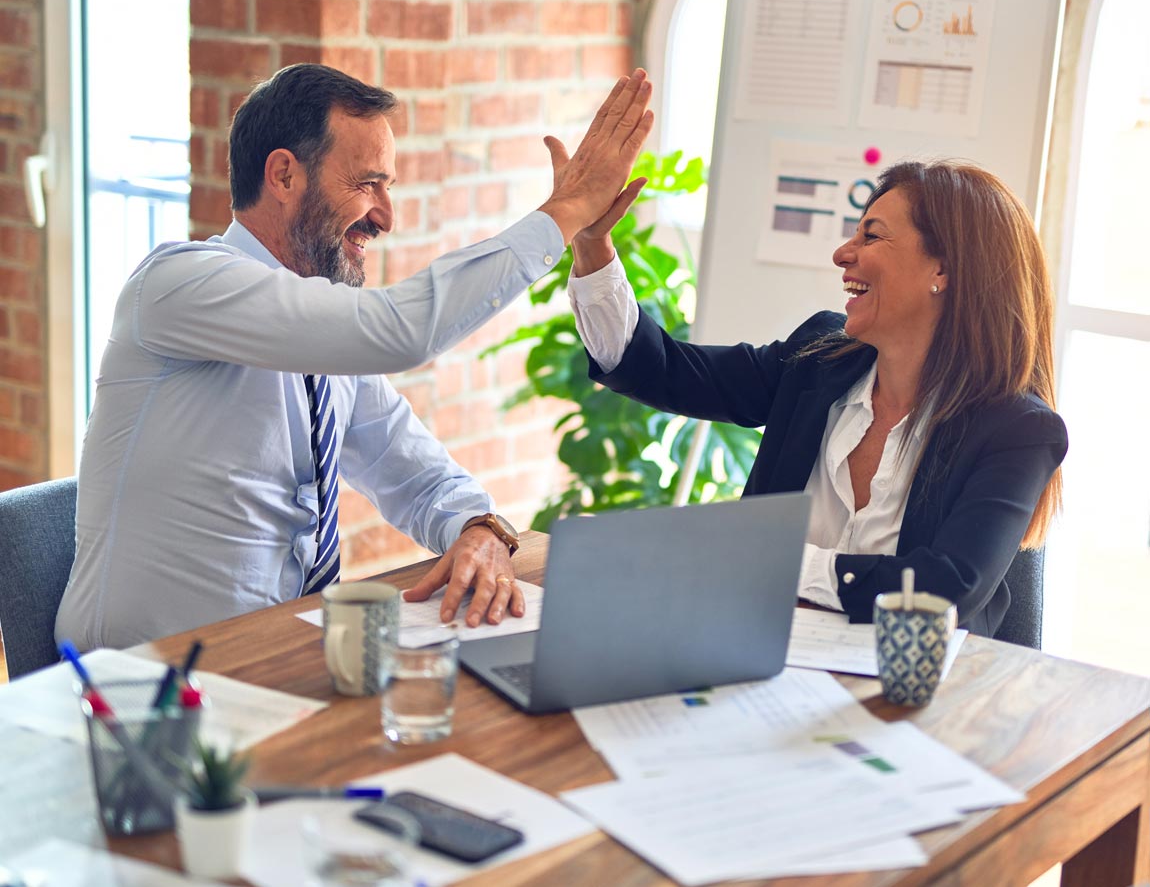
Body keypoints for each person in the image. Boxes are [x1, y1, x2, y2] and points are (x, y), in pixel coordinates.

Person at [56, 63, 653, 651]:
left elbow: (414, 472)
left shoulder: (323, 341)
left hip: (277, 662)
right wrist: (567, 211)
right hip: (139, 688)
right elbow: (401, 331)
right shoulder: (179, 284)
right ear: (284, 176)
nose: (386, 216)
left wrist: (480, 528)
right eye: (368, 183)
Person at [567, 160, 1067, 637]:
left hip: (917, 696)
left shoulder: (1018, 430)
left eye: (871, 235)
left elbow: (943, 591)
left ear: (943, 270)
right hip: (760, 658)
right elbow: (661, 370)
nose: (843, 253)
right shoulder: (818, 360)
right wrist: (592, 244)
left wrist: (773, 560)